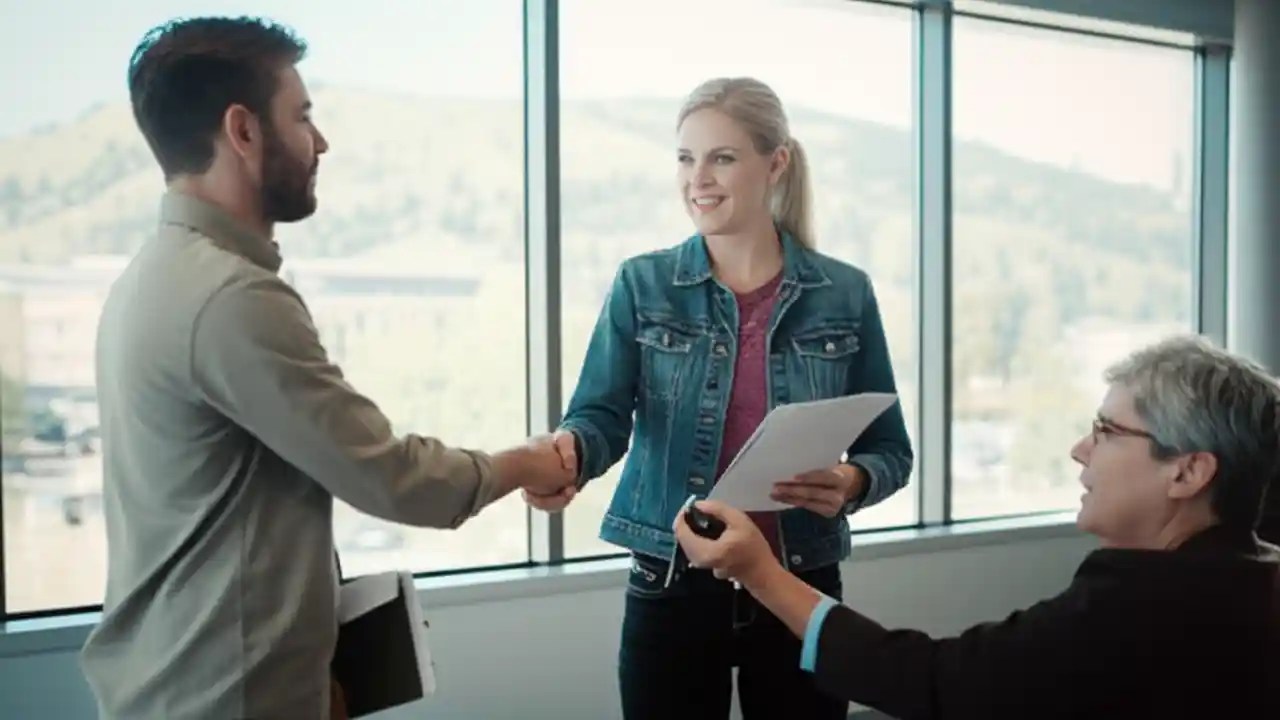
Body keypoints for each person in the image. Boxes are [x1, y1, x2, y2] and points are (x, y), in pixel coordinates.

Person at [80, 17, 575, 719]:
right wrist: (524, 464)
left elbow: (237, 512)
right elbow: (391, 478)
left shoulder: (149, 280)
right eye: (303, 116)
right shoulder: (229, 297)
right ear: (243, 131)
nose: (321, 142)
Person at [526, 77, 913, 718]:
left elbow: (890, 449)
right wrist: (568, 455)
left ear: (776, 163)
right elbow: (597, 418)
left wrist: (850, 481)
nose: (697, 178)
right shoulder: (642, 284)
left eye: (722, 157)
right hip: (671, 582)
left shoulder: (845, 294)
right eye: (685, 157)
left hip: (798, 581)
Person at [676, 335, 1280, 720]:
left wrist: (760, 574)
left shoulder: (1138, 605)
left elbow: (933, 682)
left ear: (1189, 472)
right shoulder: (1257, 577)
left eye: (1107, 431)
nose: (1079, 450)